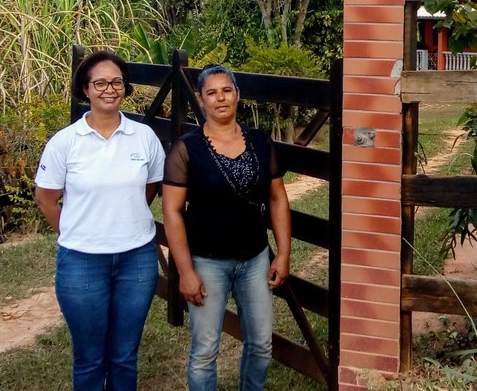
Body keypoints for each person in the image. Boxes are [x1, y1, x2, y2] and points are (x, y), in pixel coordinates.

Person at [34, 50, 166, 391]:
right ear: (85, 89)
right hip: (81, 262)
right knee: (90, 358)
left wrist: (126, 219)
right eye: (101, 83)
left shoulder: (144, 137)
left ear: (125, 87)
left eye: (117, 82)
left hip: (136, 260)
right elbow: (46, 198)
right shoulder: (65, 143)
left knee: (124, 356)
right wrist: (77, 231)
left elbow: (151, 188)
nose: (110, 89)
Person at [161, 64, 291, 391]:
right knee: (205, 351)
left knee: (261, 345)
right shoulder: (186, 149)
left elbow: (277, 200)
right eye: (211, 93)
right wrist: (185, 271)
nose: (220, 98)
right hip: (206, 262)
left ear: (237, 95)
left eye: (226, 90)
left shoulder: (260, 141)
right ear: (202, 101)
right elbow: (173, 212)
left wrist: (283, 253)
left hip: (255, 260)